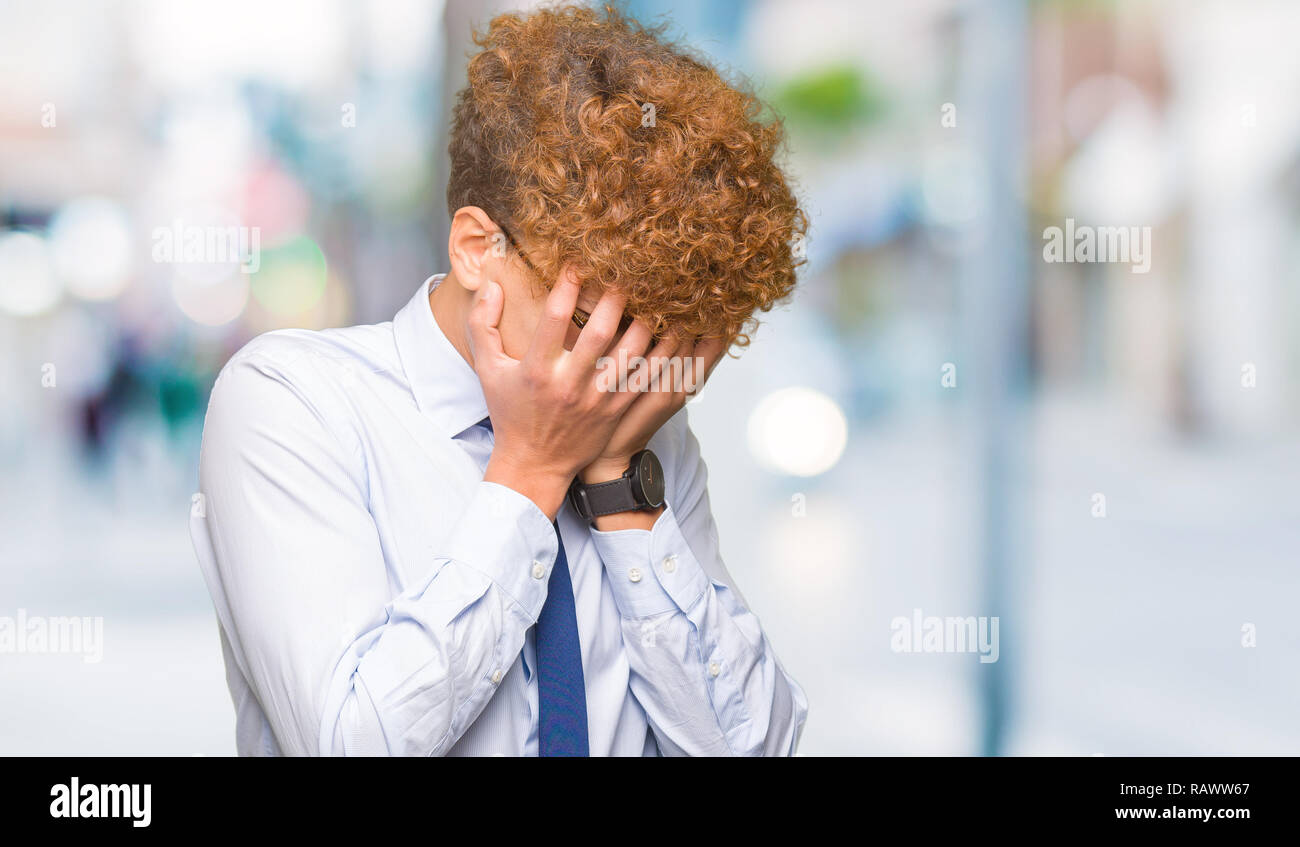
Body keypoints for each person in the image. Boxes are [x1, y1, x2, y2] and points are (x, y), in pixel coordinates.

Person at [190, 3, 809, 756]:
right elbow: (350, 741)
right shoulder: (293, 403)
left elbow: (752, 746)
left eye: (655, 338)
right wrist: (531, 470)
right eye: (594, 321)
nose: (623, 369)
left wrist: (619, 486)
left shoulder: (642, 429)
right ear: (478, 248)